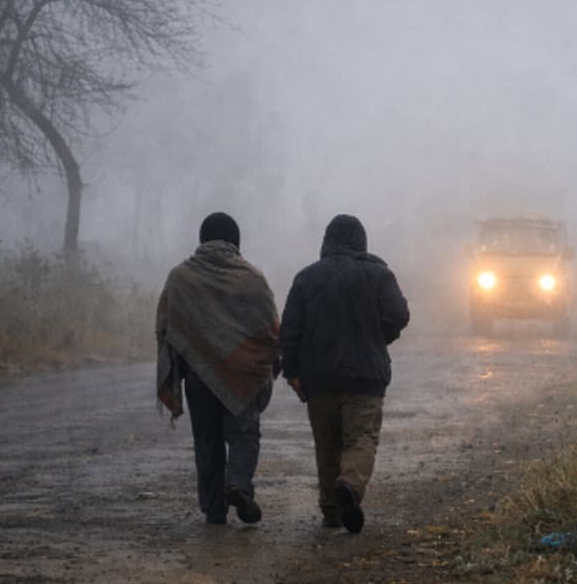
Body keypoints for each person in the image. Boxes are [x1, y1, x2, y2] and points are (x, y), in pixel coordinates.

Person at [279, 214, 410, 533]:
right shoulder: (379, 275)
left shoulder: (306, 278)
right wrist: (380, 337)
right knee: (361, 438)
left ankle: (332, 510)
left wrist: (293, 372)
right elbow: (399, 315)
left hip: (319, 379)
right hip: (366, 377)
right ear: (362, 242)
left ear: (326, 242)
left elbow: (290, 331)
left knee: (326, 444)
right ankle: (350, 484)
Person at [156, 212, 279, 525]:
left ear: (202, 239)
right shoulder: (252, 277)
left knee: (207, 441)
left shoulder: (180, 277)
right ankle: (238, 485)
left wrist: (175, 370)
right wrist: (274, 362)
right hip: (244, 374)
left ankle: (214, 508)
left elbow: (166, 325)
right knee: (243, 434)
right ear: (235, 240)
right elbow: (269, 328)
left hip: (200, 375)